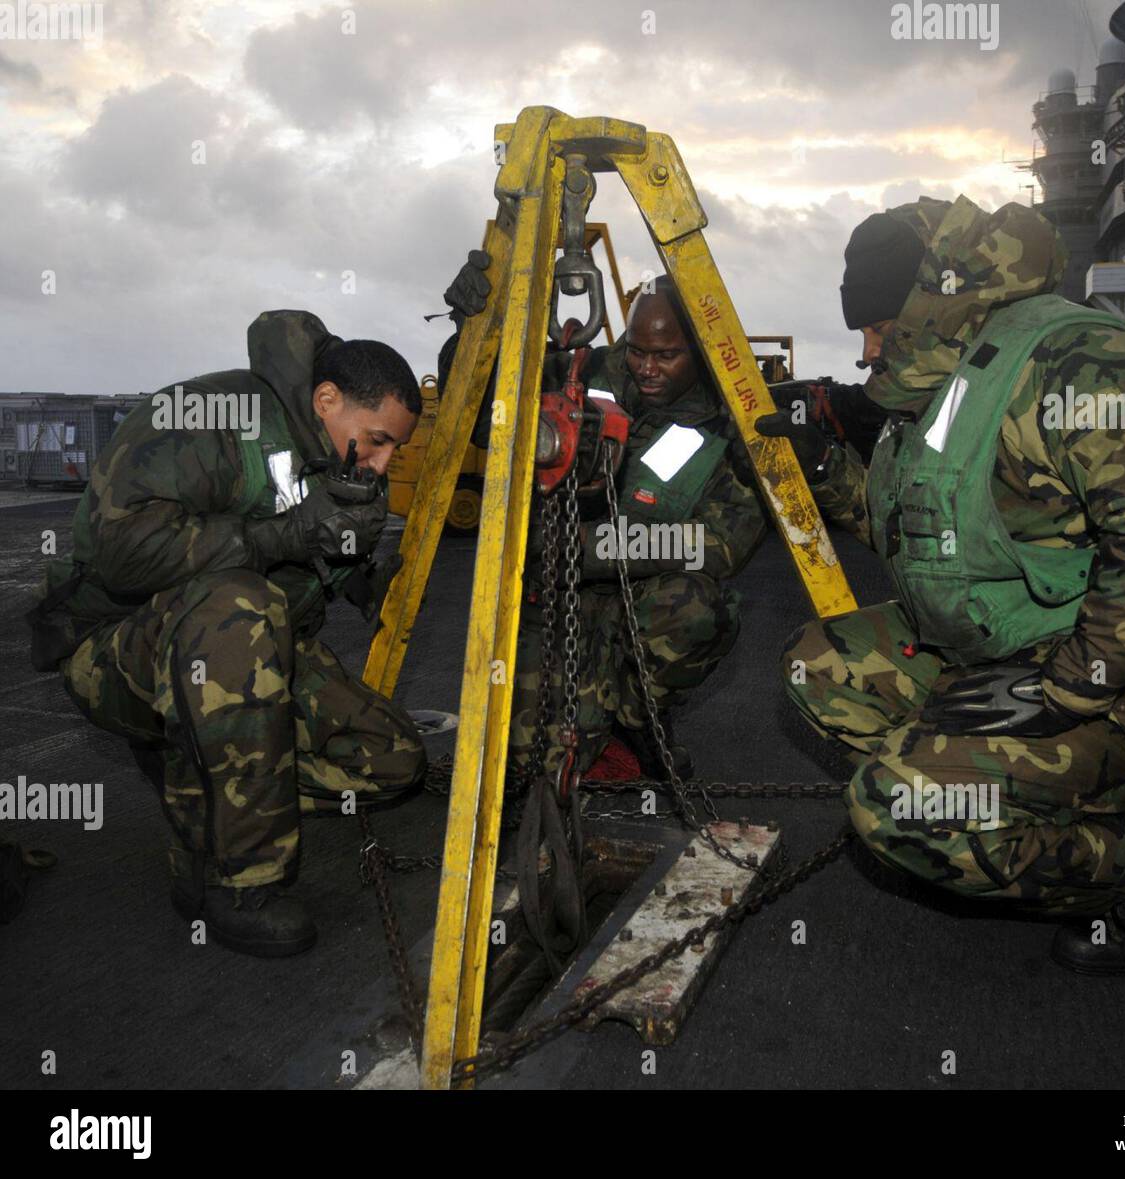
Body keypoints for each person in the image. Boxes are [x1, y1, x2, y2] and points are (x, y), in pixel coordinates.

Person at [756, 195, 1125, 974]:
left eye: (879, 327)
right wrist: (825, 471)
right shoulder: (952, 377)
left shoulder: (1081, 363)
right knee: (820, 668)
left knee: (897, 808)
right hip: (1014, 649)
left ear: (926, 302)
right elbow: (923, 541)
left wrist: (1064, 690)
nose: (871, 351)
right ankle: (1013, 794)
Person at [26, 311, 428, 957]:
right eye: (377, 440)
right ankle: (241, 882)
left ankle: (206, 783)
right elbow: (122, 553)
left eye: (393, 450)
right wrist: (285, 535)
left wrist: (365, 581)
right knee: (237, 602)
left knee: (391, 760)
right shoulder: (204, 416)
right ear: (326, 399)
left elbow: (329, 554)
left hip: (253, 652)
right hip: (118, 649)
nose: (382, 463)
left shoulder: (336, 458)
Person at [442, 258, 766, 779]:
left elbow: (718, 546)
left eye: (666, 355)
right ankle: (591, 719)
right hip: (559, 598)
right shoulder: (584, 373)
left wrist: (583, 547)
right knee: (531, 768)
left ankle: (640, 720)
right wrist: (471, 333)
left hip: (639, 603)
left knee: (697, 606)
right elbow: (486, 417)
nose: (646, 368)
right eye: (637, 351)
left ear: (701, 352)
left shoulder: (733, 429)